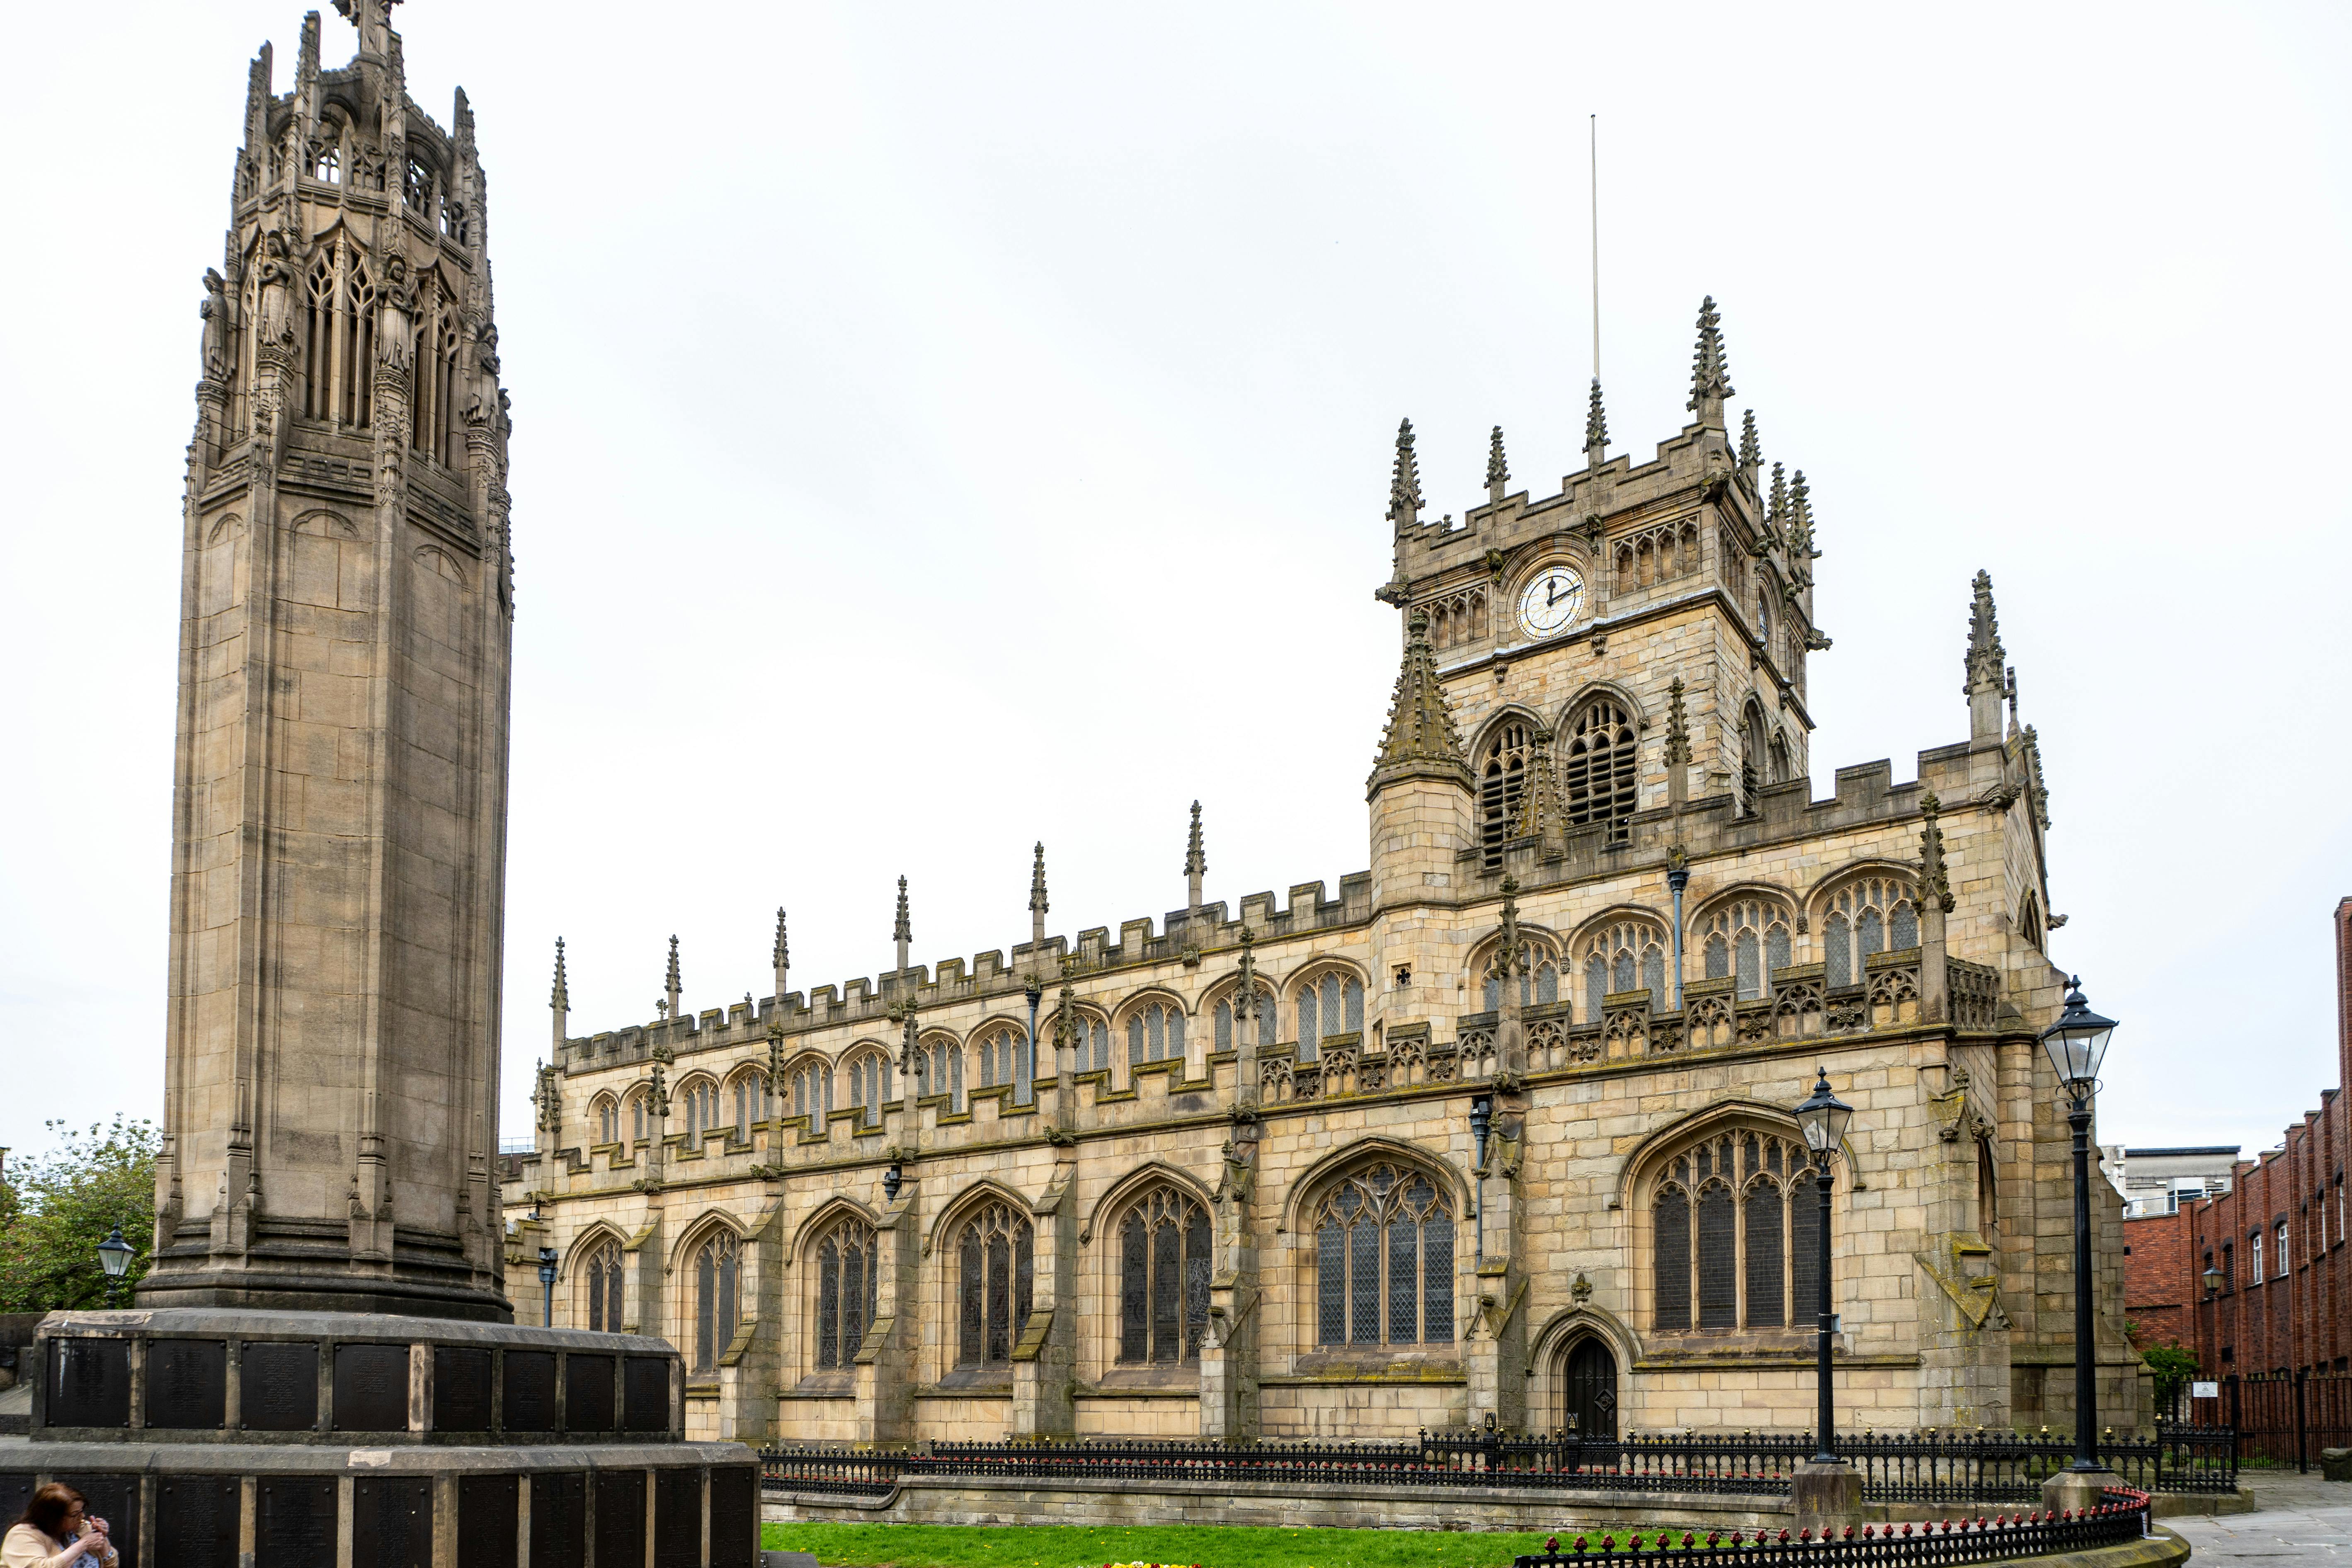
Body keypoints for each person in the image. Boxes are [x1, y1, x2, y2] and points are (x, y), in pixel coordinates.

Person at [2, 1485, 116, 1568]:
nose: (82, 1516)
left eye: (82, 1511)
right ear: (53, 1517)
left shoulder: (82, 1529)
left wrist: (102, 1542)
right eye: (75, 1514)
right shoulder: (22, 1535)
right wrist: (83, 1545)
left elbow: (111, 1566)